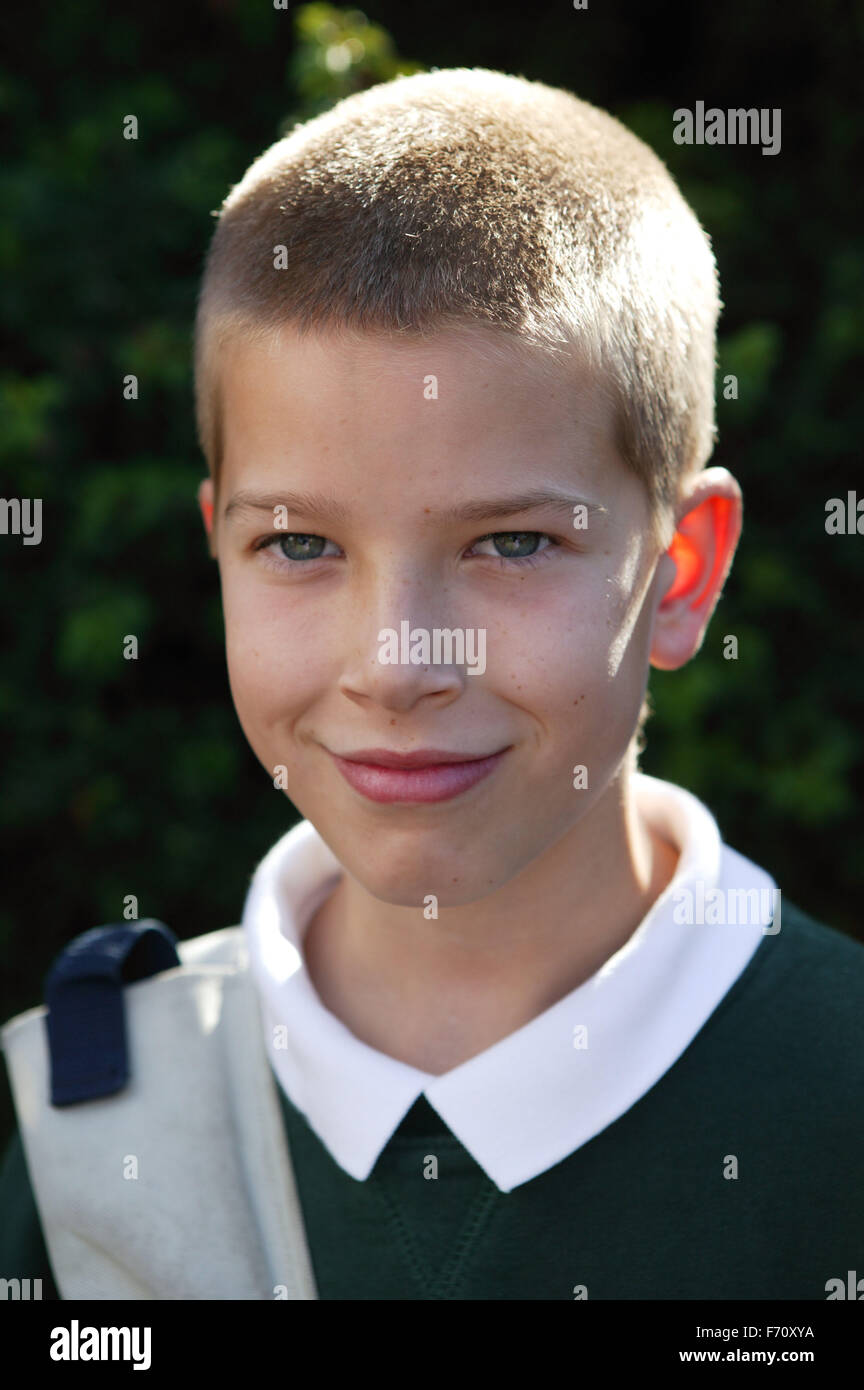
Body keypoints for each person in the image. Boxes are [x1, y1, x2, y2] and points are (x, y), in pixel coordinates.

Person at [2, 67, 862, 1301]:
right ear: (218, 548)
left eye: (511, 543)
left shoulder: (838, 1098)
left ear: (680, 573)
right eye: (299, 545)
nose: (397, 667)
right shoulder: (107, 1118)